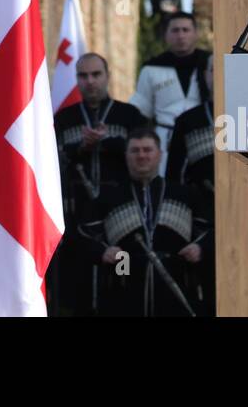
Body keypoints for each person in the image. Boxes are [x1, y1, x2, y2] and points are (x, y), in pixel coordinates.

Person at [51, 52, 147, 315]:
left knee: (121, 283)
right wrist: (80, 147)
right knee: (77, 285)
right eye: (83, 76)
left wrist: (107, 142)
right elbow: (50, 161)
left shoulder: (129, 115)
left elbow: (144, 156)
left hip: (121, 214)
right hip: (76, 214)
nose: (90, 81)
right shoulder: (63, 119)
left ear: (108, 77)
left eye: (96, 75)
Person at [80, 128, 212, 317]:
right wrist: (104, 251)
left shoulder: (185, 195)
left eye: (147, 150)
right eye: (135, 150)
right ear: (126, 156)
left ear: (159, 155)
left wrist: (199, 248)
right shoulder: (109, 197)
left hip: (175, 276)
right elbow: (83, 236)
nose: (141, 156)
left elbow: (211, 233)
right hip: (124, 272)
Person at [132, 12, 210, 172]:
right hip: (164, 140)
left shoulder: (210, 66)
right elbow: (140, 113)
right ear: (166, 35)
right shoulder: (152, 69)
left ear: (195, 34)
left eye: (185, 30)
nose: (180, 35)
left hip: (202, 137)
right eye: (175, 30)